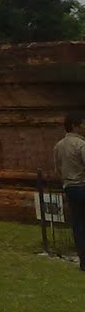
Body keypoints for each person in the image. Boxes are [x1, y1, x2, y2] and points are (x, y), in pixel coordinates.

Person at [54, 111, 85, 271]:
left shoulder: (58, 146)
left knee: (78, 224)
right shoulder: (81, 144)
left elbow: (57, 169)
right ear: (75, 126)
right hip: (82, 185)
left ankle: (83, 260)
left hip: (69, 187)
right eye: (82, 124)